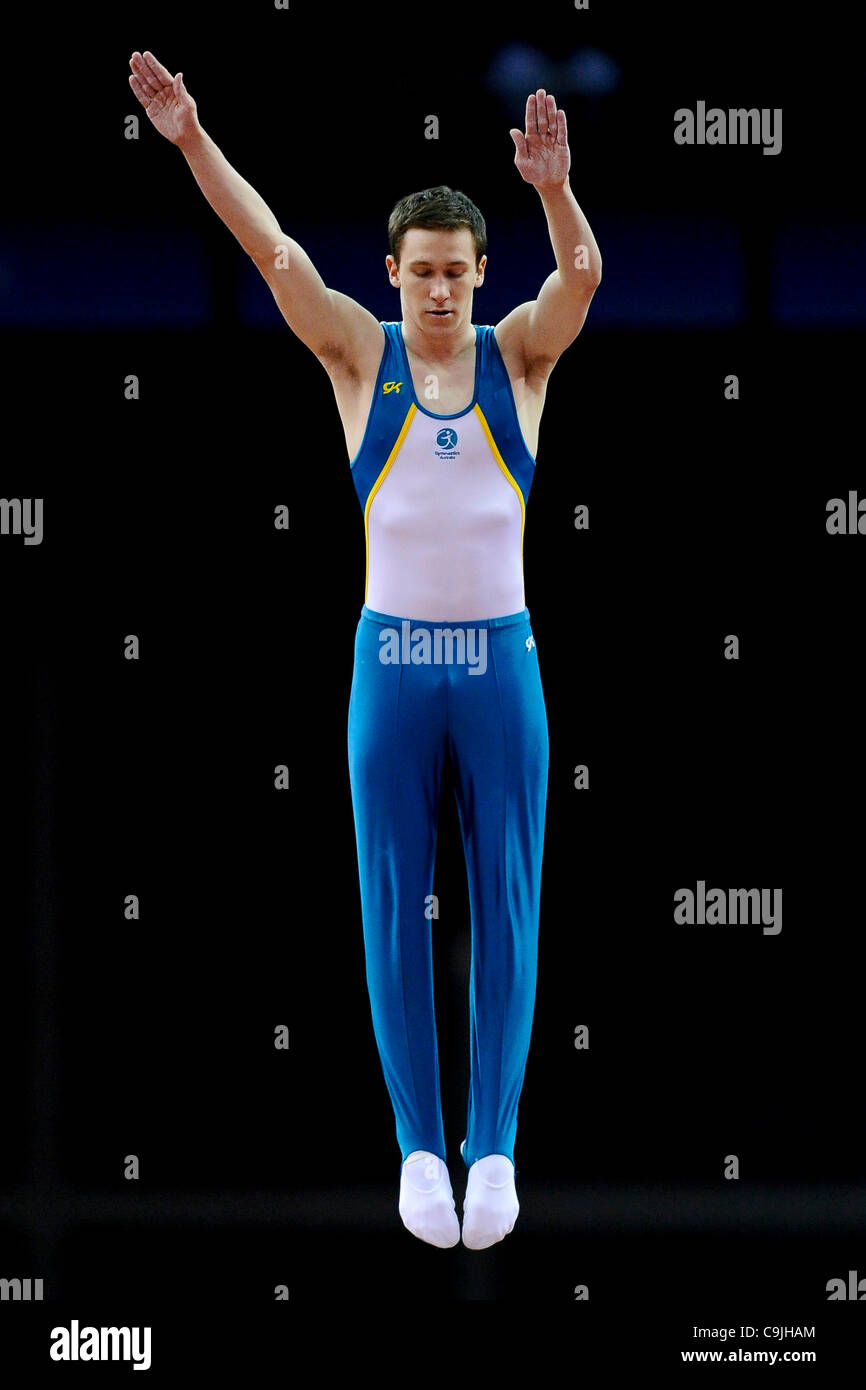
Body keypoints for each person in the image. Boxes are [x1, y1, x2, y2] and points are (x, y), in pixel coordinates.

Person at [129, 50, 602, 1250]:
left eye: (457, 274)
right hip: (388, 666)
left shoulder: (518, 360)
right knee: (393, 902)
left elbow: (583, 276)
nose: (440, 293)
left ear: (480, 277)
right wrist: (190, 140)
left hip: (500, 663)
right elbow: (273, 251)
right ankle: (414, 1148)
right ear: (389, 277)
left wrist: (553, 189)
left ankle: (490, 1144)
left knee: (506, 901)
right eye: (421, 274)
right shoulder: (356, 355)